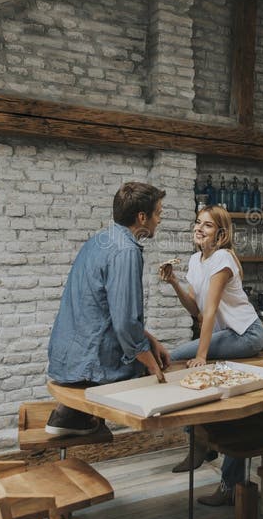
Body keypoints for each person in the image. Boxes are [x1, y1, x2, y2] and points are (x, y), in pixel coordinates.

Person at [159, 205, 263, 505]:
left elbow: (210, 312)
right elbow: (195, 308)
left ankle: (201, 443)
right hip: (226, 336)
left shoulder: (222, 258)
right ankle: (203, 444)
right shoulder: (195, 260)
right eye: (197, 222)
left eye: (207, 225)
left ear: (221, 233)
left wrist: (202, 355)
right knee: (223, 401)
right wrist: (174, 283)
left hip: (247, 334)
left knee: (175, 360)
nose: (199, 228)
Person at [46, 181, 171, 436]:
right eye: (158, 213)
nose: (159, 220)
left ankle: (72, 414)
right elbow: (123, 321)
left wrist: (150, 339)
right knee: (163, 376)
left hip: (66, 356)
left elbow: (105, 310)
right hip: (89, 363)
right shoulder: (126, 251)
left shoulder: (101, 239)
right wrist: (149, 362)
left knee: (148, 354)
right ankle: (75, 416)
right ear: (141, 217)